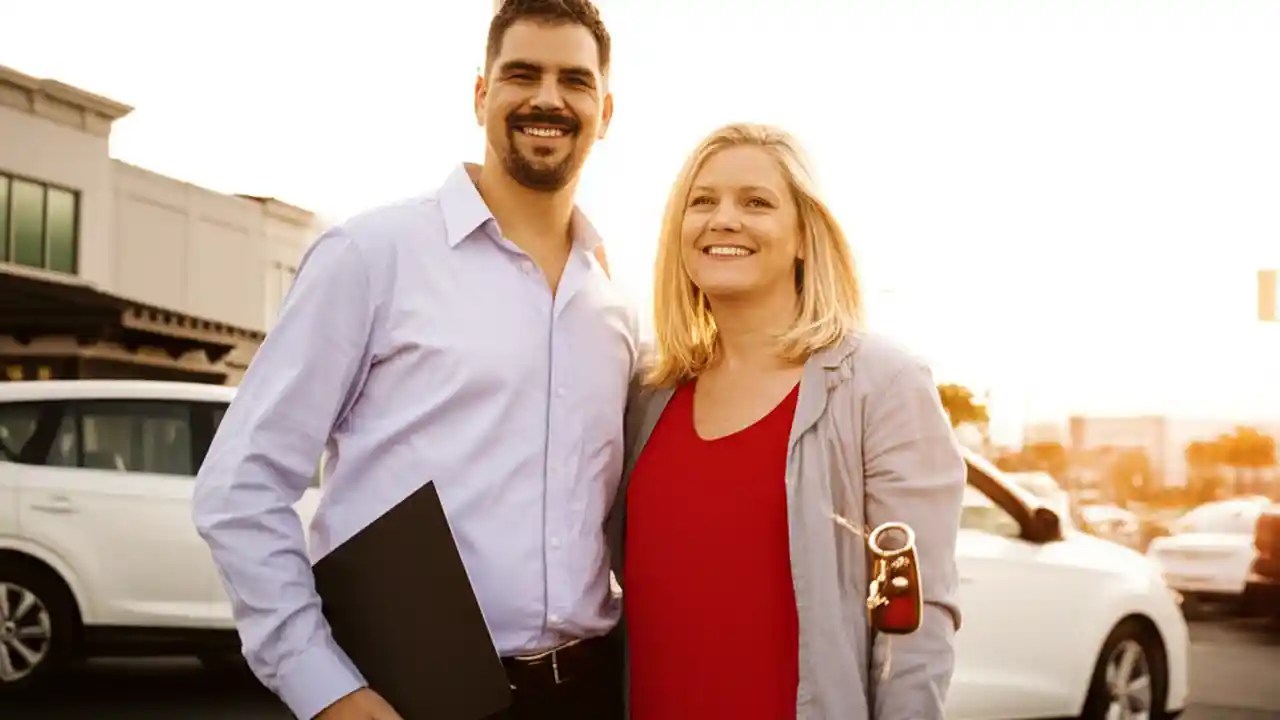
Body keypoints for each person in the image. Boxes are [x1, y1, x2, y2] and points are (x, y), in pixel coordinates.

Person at [192, 2, 636, 719]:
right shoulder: (373, 256)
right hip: (407, 695)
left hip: (587, 692)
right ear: (481, 95)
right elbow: (241, 485)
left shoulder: (614, 302)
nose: (548, 99)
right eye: (522, 74)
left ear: (605, 110)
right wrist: (325, 687)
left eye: (574, 81)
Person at [608, 123, 966, 719]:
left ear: (804, 235)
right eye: (702, 201)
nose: (724, 219)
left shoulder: (881, 383)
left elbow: (917, 627)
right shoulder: (647, 394)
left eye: (756, 202)